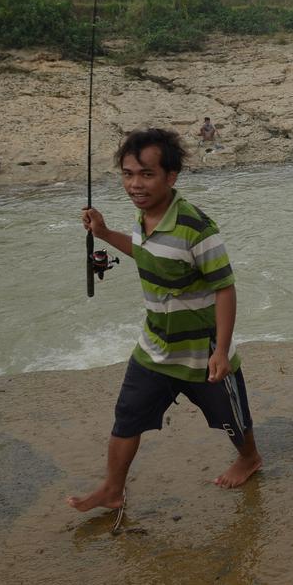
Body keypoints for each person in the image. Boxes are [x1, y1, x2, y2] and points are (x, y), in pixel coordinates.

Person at [68, 128, 261, 515]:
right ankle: (112, 488)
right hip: (155, 347)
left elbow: (225, 288)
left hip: (200, 351)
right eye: (127, 174)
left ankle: (250, 459)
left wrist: (221, 351)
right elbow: (144, 251)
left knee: (232, 420)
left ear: (171, 177)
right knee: (128, 415)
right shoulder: (145, 217)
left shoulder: (196, 228)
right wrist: (104, 233)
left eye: (146, 174)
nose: (134, 184)